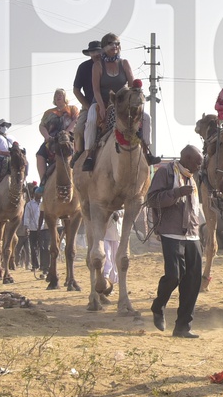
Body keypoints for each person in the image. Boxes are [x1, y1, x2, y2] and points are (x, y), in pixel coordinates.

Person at [148, 145, 204, 337]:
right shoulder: (165, 172)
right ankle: (158, 306)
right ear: (187, 158)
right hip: (171, 233)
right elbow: (153, 200)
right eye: (198, 162)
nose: (199, 166)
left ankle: (182, 327)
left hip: (192, 233)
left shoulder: (191, 176)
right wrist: (177, 193)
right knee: (174, 276)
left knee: (193, 280)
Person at [80, 33, 156, 170]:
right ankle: (89, 155)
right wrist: (102, 107)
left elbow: (132, 85)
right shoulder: (97, 66)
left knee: (146, 118)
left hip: (122, 103)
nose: (115, 46)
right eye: (111, 43)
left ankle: (146, 152)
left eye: (117, 43)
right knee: (91, 120)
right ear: (104, 47)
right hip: (101, 102)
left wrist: (136, 95)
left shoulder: (124, 63)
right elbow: (96, 90)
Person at [36, 88, 79, 187]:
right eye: (56, 95)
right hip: (52, 140)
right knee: (39, 155)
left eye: (61, 95)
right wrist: (47, 136)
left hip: (69, 139)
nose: (58, 96)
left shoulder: (72, 109)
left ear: (65, 97)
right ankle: (43, 182)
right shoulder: (48, 113)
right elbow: (41, 126)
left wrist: (67, 133)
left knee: (81, 151)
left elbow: (76, 120)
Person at [21, 185, 47, 272]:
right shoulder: (29, 205)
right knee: (33, 247)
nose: (40, 195)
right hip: (32, 229)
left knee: (43, 247)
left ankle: (43, 266)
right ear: (34, 194)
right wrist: (26, 227)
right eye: (38, 193)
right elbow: (26, 217)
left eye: (40, 193)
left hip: (43, 228)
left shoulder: (44, 203)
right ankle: (35, 265)